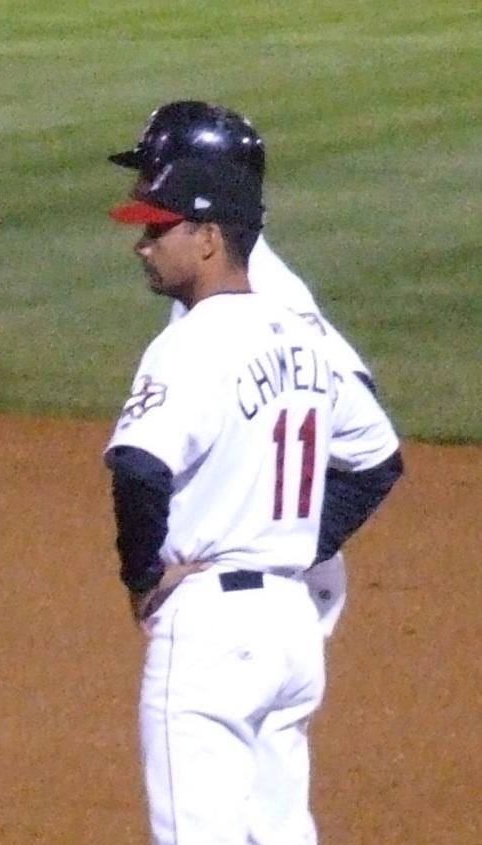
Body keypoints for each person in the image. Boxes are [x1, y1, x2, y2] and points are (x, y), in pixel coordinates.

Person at [101, 155, 403, 845]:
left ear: (211, 237)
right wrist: (295, 542)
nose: (143, 243)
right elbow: (375, 454)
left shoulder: (190, 346)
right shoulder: (303, 332)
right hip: (287, 626)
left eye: (158, 227)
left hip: (213, 631)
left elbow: (138, 469)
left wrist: (145, 574)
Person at [109, 100, 381, 639]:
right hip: (257, 582)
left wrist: (290, 542)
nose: (145, 184)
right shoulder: (219, 282)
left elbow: (370, 438)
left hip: (262, 583)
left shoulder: (271, 296)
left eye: (155, 170)